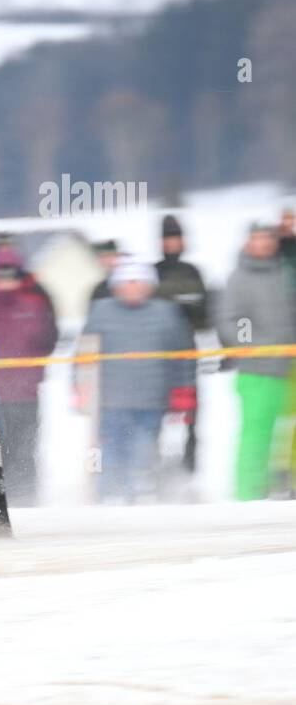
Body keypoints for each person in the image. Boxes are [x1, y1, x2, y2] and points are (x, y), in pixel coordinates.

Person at [80, 262, 194, 504]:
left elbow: (182, 356)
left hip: (152, 399)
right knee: (111, 450)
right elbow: (84, 355)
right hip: (111, 401)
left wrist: (183, 390)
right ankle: (109, 494)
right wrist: (81, 387)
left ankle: (140, 494)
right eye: (127, 282)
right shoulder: (101, 312)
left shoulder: (167, 313)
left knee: (144, 448)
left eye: (138, 282)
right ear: (116, 286)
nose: (133, 288)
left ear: (149, 286)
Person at [0, 248, 58, 504]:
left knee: (25, 451)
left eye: (11, 274)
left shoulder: (36, 305)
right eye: (0, 274)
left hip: (25, 395)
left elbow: (49, 340)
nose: (5, 280)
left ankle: (28, 500)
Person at [216, 222, 296, 500]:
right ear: (249, 242)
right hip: (257, 370)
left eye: (267, 239)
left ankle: (283, 486)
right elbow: (232, 320)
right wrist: (251, 345)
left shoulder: (285, 272)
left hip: (289, 367)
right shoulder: (240, 277)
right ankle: (248, 493)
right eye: (257, 239)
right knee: (256, 434)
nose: (263, 244)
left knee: (288, 435)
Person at [154, 214, 209, 472]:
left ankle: (189, 468)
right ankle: (155, 468)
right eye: (168, 238)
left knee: (192, 415)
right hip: (157, 356)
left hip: (187, 354)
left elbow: (204, 313)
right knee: (158, 412)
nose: (172, 243)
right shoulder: (154, 273)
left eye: (176, 237)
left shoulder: (192, 272)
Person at [89, 240, 123, 304]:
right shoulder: (100, 288)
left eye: (111, 256)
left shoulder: (132, 282)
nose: (107, 261)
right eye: (103, 257)